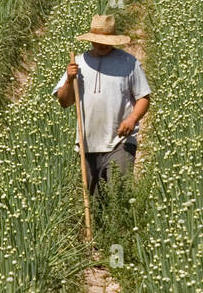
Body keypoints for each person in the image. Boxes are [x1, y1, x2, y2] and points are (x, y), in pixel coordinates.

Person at [55, 14, 150, 193]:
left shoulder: (128, 62)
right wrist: (68, 79)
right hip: (87, 143)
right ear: (91, 39)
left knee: (119, 197)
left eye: (106, 41)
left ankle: (121, 223)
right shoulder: (79, 63)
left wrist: (132, 120)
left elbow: (144, 98)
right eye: (98, 40)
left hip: (120, 142)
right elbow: (64, 101)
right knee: (93, 203)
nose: (102, 44)